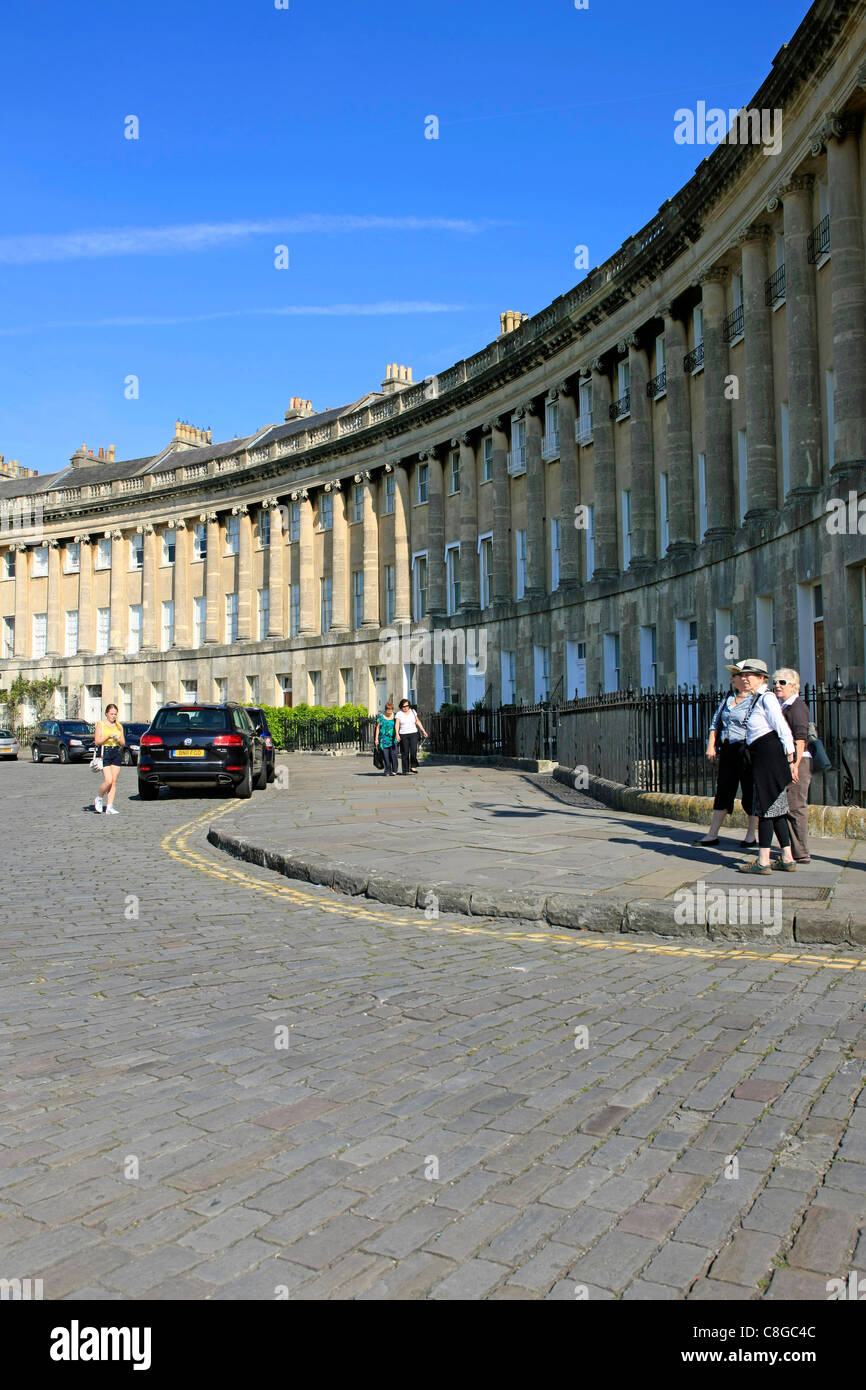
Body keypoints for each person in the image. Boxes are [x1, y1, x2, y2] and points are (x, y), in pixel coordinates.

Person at [732, 660, 798, 875]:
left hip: (768, 758)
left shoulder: (766, 698)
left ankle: (763, 861)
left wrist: (790, 760)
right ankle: (786, 858)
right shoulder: (756, 699)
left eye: (749, 675)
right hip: (763, 757)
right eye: (743, 675)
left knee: (765, 810)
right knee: (777, 811)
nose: (744, 678)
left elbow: (782, 727)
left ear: (762, 678)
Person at [695, 666, 757, 848]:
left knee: (750, 792)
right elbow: (715, 722)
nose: (732, 679)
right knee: (723, 790)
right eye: (733, 676)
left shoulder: (756, 700)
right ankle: (712, 834)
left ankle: (750, 835)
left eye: (735, 676)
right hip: (727, 749)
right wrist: (710, 745)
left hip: (745, 749)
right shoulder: (728, 698)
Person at [772, 667, 811, 865]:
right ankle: (792, 849)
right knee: (786, 806)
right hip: (788, 762)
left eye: (782, 682)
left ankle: (801, 852)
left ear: (793, 686)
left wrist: (794, 765)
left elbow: (800, 738)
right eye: (775, 682)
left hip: (798, 762)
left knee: (795, 807)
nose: (777, 685)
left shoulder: (796, 707)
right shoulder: (782, 706)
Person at [94, 703, 125, 815]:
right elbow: (97, 741)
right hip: (105, 752)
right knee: (108, 780)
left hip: (116, 752)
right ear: (107, 713)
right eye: (111, 714)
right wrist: (108, 736)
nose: (113, 716)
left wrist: (117, 739)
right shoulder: (101, 724)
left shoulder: (119, 726)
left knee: (114, 781)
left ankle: (110, 806)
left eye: (115, 714)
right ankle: (99, 797)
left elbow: (123, 742)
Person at [395, 698, 428, 774]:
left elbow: (417, 721)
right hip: (403, 734)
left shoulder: (413, 711)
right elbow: (397, 724)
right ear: (401, 706)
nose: (406, 707)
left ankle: (413, 766)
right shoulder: (399, 714)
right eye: (404, 706)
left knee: (413, 751)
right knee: (405, 752)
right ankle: (405, 770)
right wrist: (397, 734)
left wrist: (423, 731)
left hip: (413, 733)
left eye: (407, 706)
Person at [374, 701, 398, 776]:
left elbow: (398, 726)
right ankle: (387, 770)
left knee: (393, 755)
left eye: (390, 709)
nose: (389, 711)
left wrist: (398, 735)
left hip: (393, 739)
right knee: (386, 756)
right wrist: (376, 739)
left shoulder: (395, 716)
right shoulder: (381, 717)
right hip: (383, 740)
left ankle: (394, 770)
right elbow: (378, 728)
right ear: (385, 709)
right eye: (388, 709)